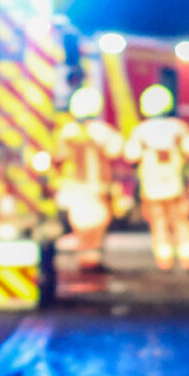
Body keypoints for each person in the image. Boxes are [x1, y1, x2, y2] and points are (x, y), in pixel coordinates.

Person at [123, 84, 189, 274]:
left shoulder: (140, 131)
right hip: (176, 186)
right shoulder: (178, 127)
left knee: (158, 224)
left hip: (151, 189)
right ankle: (188, 259)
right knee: (182, 222)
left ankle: (164, 259)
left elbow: (130, 155)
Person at [56, 86, 123, 274]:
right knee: (95, 225)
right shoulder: (102, 131)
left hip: (73, 189)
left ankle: (87, 259)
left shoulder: (66, 132)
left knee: (83, 225)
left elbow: (59, 158)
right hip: (96, 188)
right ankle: (90, 260)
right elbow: (116, 150)